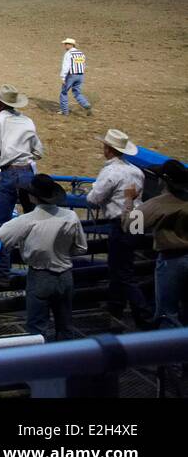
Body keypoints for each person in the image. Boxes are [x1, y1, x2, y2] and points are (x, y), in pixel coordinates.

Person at [0, 174, 88, 340]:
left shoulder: (26, 220)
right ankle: (66, 361)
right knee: (65, 325)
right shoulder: (71, 217)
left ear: (32, 196)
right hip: (65, 276)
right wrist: (62, 253)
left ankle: (38, 363)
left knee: (37, 330)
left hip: (40, 276)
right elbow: (81, 248)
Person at [87, 129, 154, 328]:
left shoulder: (111, 172)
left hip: (121, 222)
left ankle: (144, 316)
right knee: (124, 266)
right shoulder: (137, 171)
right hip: (137, 219)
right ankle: (115, 307)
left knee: (122, 272)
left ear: (108, 149)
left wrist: (92, 191)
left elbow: (94, 198)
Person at [0, 84, 45, 283]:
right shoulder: (27, 121)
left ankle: (0, 273)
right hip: (27, 173)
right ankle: (39, 271)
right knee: (36, 224)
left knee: (0, 224)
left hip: (9, 174)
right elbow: (39, 151)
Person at [123, 159, 188, 330]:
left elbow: (132, 227)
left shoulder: (158, 204)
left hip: (172, 261)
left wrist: (129, 200)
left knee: (167, 312)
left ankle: (170, 352)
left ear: (163, 181)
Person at [58, 38, 92, 116]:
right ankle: (86, 104)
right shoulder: (81, 53)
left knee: (64, 92)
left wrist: (63, 77)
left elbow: (66, 66)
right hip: (80, 75)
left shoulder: (68, 53)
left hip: (71, 75)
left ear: (70, 45)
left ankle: (65, 111)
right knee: (77, 92)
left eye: (66, 44)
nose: (65, 45)